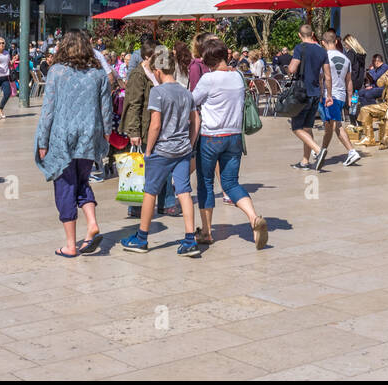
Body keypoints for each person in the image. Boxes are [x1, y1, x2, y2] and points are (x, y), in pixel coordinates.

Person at [35, 31, 114, 258]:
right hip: (89, 135)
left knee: (65, 186)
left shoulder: (57, 72)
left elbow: (48, 110)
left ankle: (70, 245)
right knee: (83, 181)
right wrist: (107, 133)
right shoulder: (99, 73)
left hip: (62, 137)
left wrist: (43, 141)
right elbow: (106, 108)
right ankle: (91, 222)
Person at [120, 46, 201, 257]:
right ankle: (190, 238)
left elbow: (155, 124)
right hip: (182, 149)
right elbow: (196, 120)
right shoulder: (186, 92)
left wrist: (148, 151)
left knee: (150, 192)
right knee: (183, 191)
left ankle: (142, 237)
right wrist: (190, 143)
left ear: (157, 71)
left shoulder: (157, 92)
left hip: (162, 150)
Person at [191, 38, 270, 249]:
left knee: (206, 183)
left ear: (208, 60)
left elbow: (192, 101)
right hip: (234, 137)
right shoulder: (238, 77)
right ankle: (254, 218)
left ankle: (206, 232)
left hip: (211, 138)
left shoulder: (208, 79)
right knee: (231, 184)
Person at [312, 31, 363, 169]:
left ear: (323, 42)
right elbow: (349, 81)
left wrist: (321, 94)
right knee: (329, 127)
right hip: (340, 96)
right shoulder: (346, 58)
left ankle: (351, 151)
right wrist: (350, 98)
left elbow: (321, 79)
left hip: (330, 96)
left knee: (336, 125)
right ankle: (321, 151)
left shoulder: (324, 57)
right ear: (335, 41)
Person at [287, 24, 331, 170]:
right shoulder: (322, 51)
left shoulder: (300, 48)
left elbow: (292, 69)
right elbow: (327, 76)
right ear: (312, 34)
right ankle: (305, 161)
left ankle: (318, 151)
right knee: (306, 127)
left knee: (296, 127)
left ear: (300, 35)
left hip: (302, 93)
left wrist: (290, 67)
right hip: (316, 93)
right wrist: (328, 95)